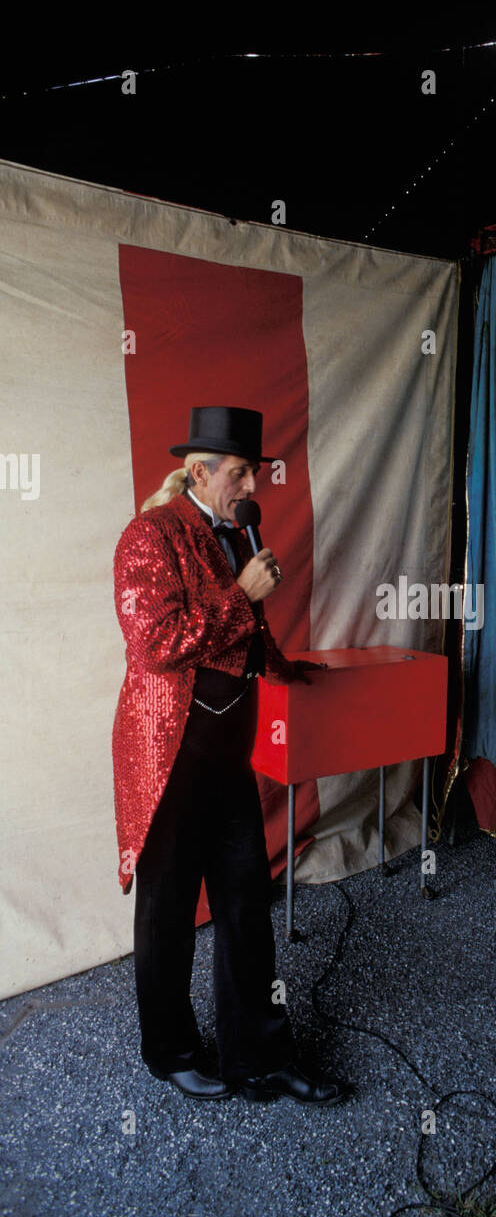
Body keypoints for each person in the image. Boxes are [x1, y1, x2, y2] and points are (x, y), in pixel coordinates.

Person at [112, 405, 349, 1105]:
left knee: (246, 900)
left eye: (254, 471)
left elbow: (249, 637)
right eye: (240, 471)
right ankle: (172, 1051)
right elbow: (157, 645)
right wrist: (241, 594)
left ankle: (259, 1055)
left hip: (226, 748)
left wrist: (290, 670)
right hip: (168, 752)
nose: (252, 483)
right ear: (199, 471)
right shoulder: (148, 537)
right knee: (169, 907)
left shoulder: (238, 534)